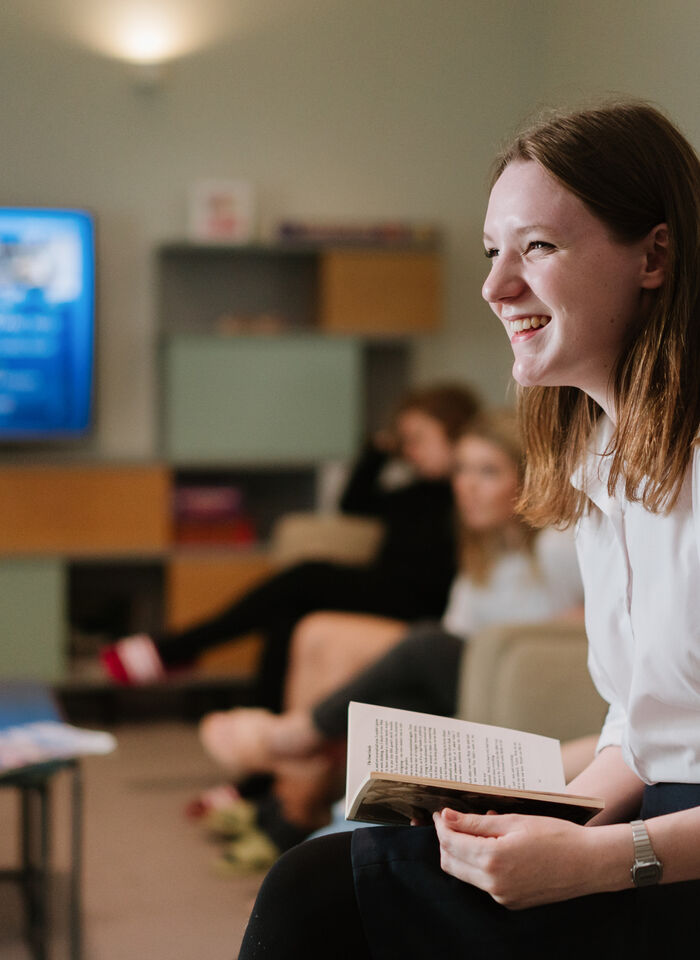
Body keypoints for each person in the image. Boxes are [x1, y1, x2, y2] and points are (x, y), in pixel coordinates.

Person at [236, 100, 700, 959]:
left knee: (318, 900)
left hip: (675, 863)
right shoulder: (601, 467)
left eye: (538, 248)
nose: (494, 288)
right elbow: (646, 738)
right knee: (326, 870)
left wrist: (596, 859)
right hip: (648, 830)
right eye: (493, 253)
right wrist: (534, 828)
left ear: (655, 255)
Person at [197, 409, 584, 817]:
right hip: (475, 679)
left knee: (425, 643)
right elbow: (458, 631)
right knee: (389, 702)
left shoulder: (558, 546)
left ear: (529, 477)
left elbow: (596, 627)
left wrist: (549, 630)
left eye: (487, 472)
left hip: (518, 681)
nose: (466, 486)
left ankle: (296, 736)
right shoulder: (484, 556)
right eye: (461, 470)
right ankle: (290, 812)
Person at [100, 382, 481, 710]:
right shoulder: (413, 493)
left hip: (417, 604)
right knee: (286, 618)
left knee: (306, 576)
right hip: (384, 591)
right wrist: (379, 448)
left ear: (455, 433)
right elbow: (354, 502)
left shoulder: (471, 495)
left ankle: (181, 647)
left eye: (419, 439)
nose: (410, 451)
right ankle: (263, 758)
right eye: (407, 442)